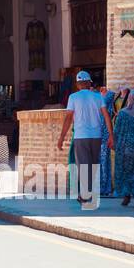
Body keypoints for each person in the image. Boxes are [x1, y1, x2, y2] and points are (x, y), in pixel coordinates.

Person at [57, 71, 113, 209]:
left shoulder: (73, 97)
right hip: (96, 136)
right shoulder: (98, 97)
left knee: (83, 166)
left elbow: (68, 118)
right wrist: (111, 135)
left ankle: (85, 195)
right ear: (89, 83)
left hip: (81, 136)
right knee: (93, 166)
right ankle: (89, 193)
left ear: (77, 84)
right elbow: (106, 116)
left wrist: (61, 137)